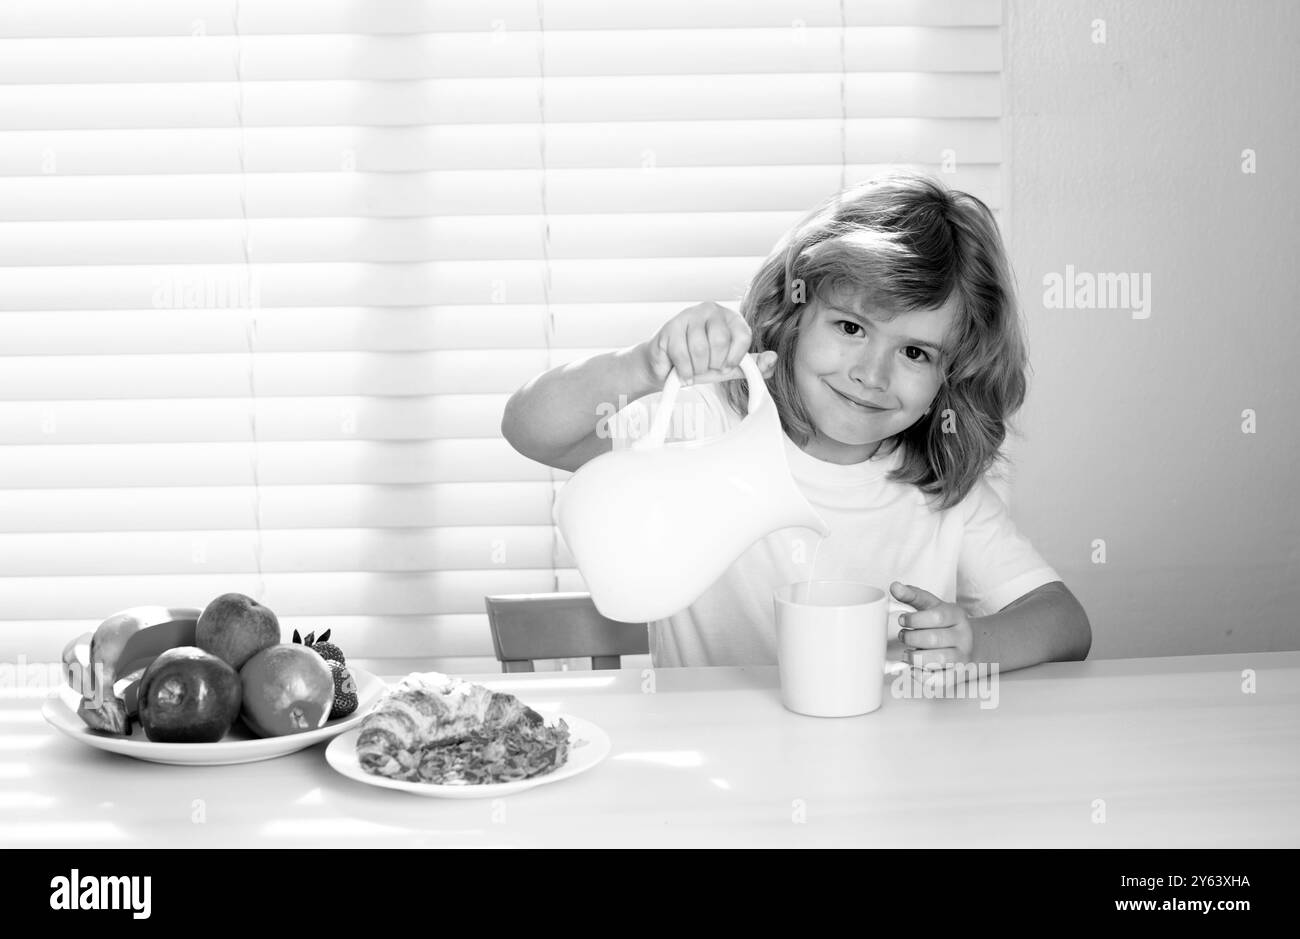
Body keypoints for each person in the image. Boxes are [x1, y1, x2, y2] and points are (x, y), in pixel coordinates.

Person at [502, 169, 1091, 672]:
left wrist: (975, 642)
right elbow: (529, 429)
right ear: (793, 314)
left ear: (952, 376)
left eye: (915, 353)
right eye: (851, 328)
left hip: (871, 775)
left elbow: (1065, 622)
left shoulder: (937, 487)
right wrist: (640, 367)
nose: (871, 374)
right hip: (710, 777)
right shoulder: (706, 423)